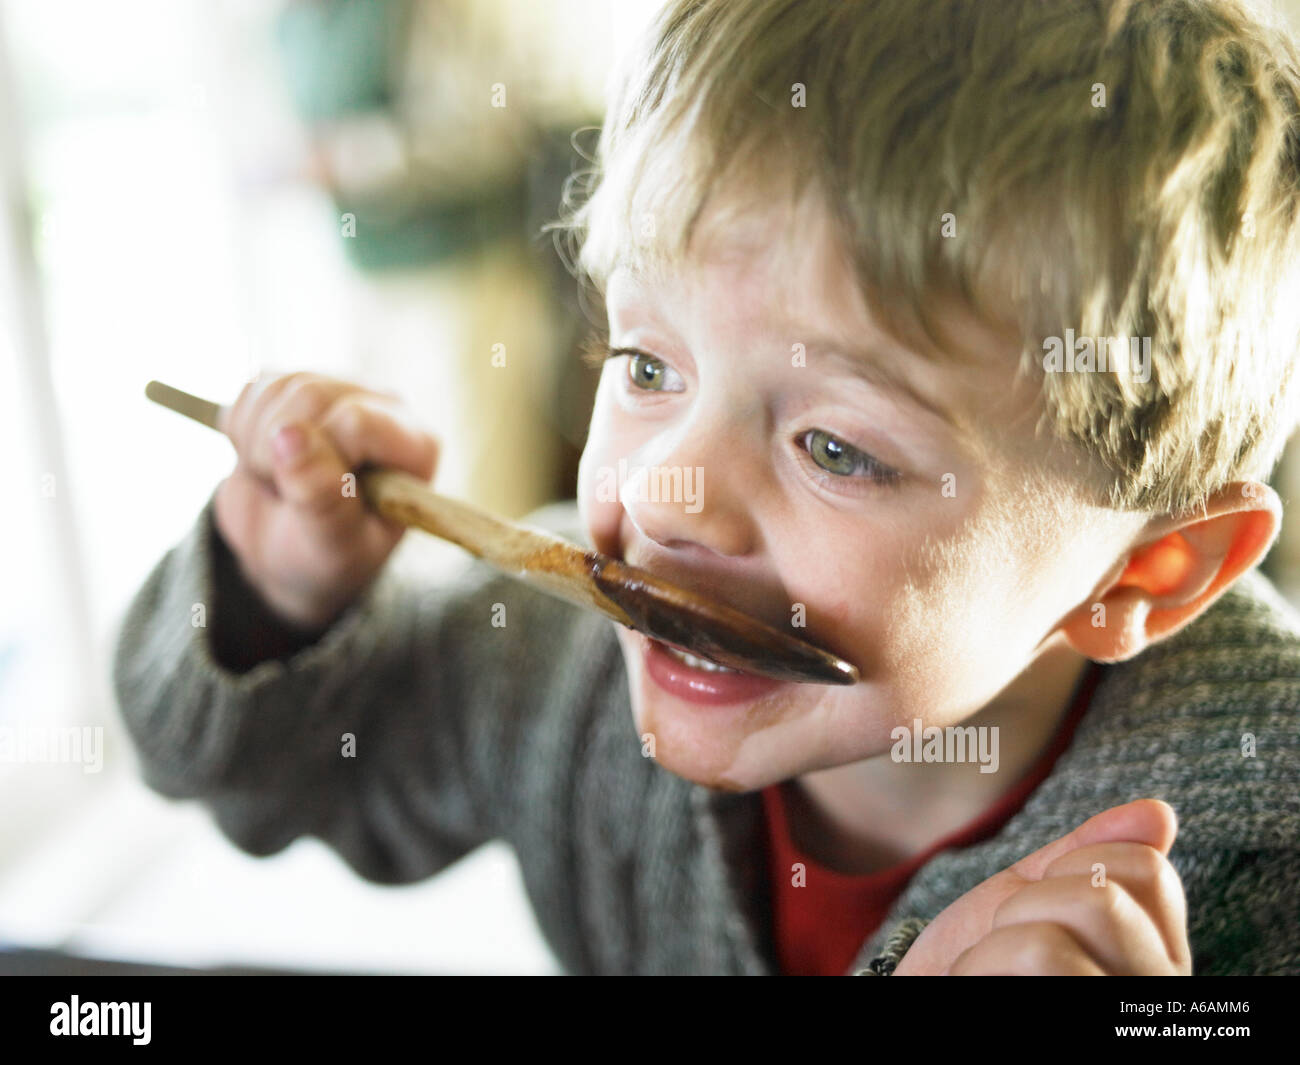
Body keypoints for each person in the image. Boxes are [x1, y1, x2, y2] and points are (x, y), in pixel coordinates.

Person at [114, 0, 1300, 974]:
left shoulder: (1263, 839)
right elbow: (261, 773)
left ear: (1146, 571)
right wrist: (274, 591)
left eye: (836, 448)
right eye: (646, 366)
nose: (669, 493)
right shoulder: (554, 670)